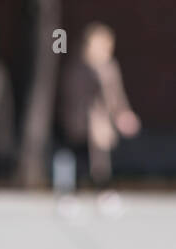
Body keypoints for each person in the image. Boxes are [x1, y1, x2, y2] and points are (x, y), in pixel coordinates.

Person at [59, 21, 141, 188]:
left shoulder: (84, 66)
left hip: (88, 122)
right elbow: (112, 95)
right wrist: (121, 113)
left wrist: (121, 112)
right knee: (91, 161)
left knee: (92, 161)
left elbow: (114, 95)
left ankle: (92, 192)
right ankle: (92, 191)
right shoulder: (97, 68)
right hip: (89, 122)